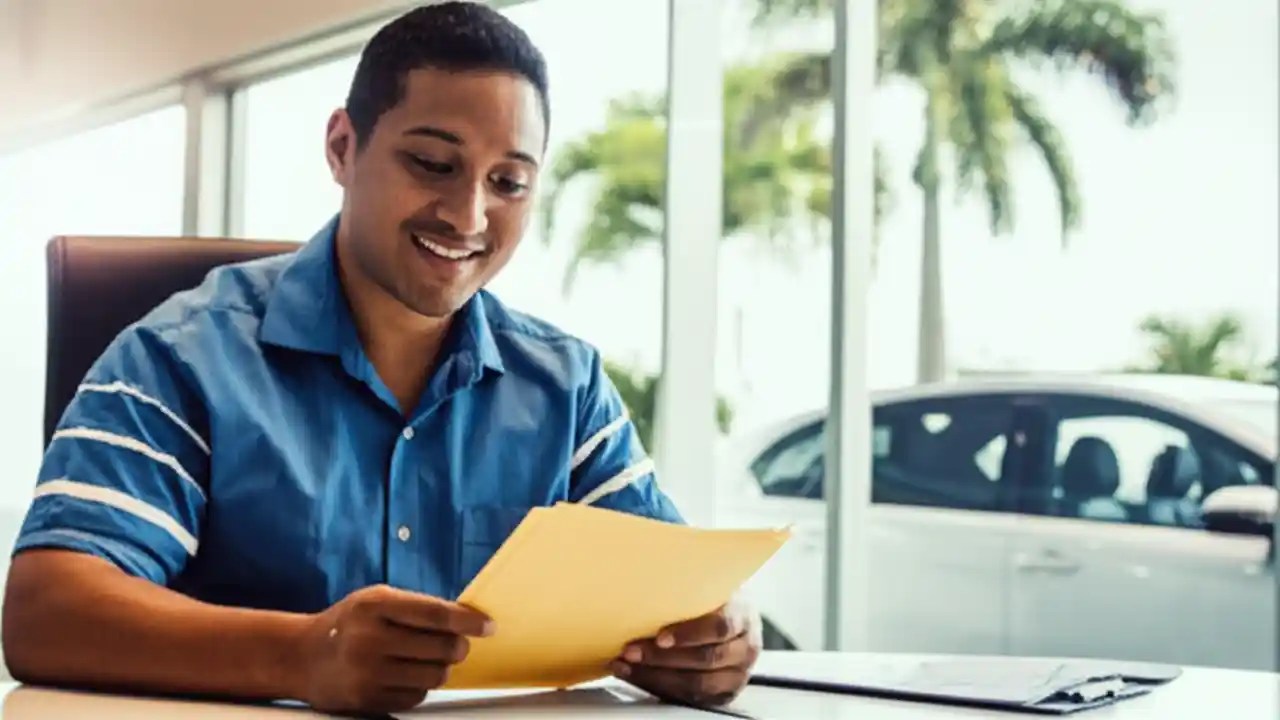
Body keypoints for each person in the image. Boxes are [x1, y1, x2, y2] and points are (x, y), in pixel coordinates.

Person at [1, 2, 759, 715]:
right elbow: (46, 612)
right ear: (342, 148)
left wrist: (716, 635)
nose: (467, 216)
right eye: (432, 163)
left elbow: (676, 595)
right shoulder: (181, 358)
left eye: (508, 183)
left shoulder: (568, 388)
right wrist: (301, 656)